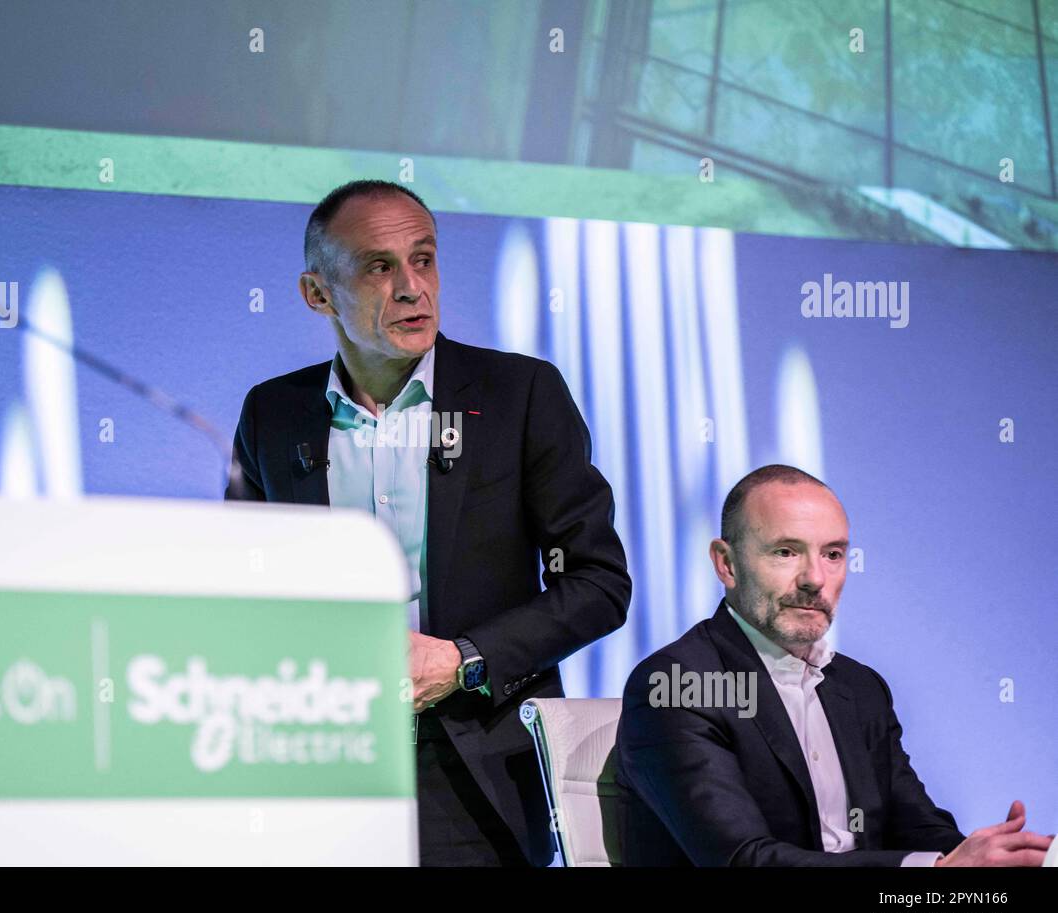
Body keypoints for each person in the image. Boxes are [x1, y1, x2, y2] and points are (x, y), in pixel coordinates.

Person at [226, 179, 631, 865]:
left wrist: (463, 660)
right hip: (321, 766)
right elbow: (245, 590)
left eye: (424, 259)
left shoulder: (519, 396)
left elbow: (598, 584)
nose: (414, 288)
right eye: (379, 267)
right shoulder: (275, 413)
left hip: (477, 767)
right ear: (317, 293)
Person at [615, 464, 1052, 866]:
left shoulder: (859, 687)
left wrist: (1005, 858)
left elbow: (916, 826)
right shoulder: (676, 686)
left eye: (833, 554)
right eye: (786, 552)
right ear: (726, 564)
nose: (814, 578)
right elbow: (743, 860)